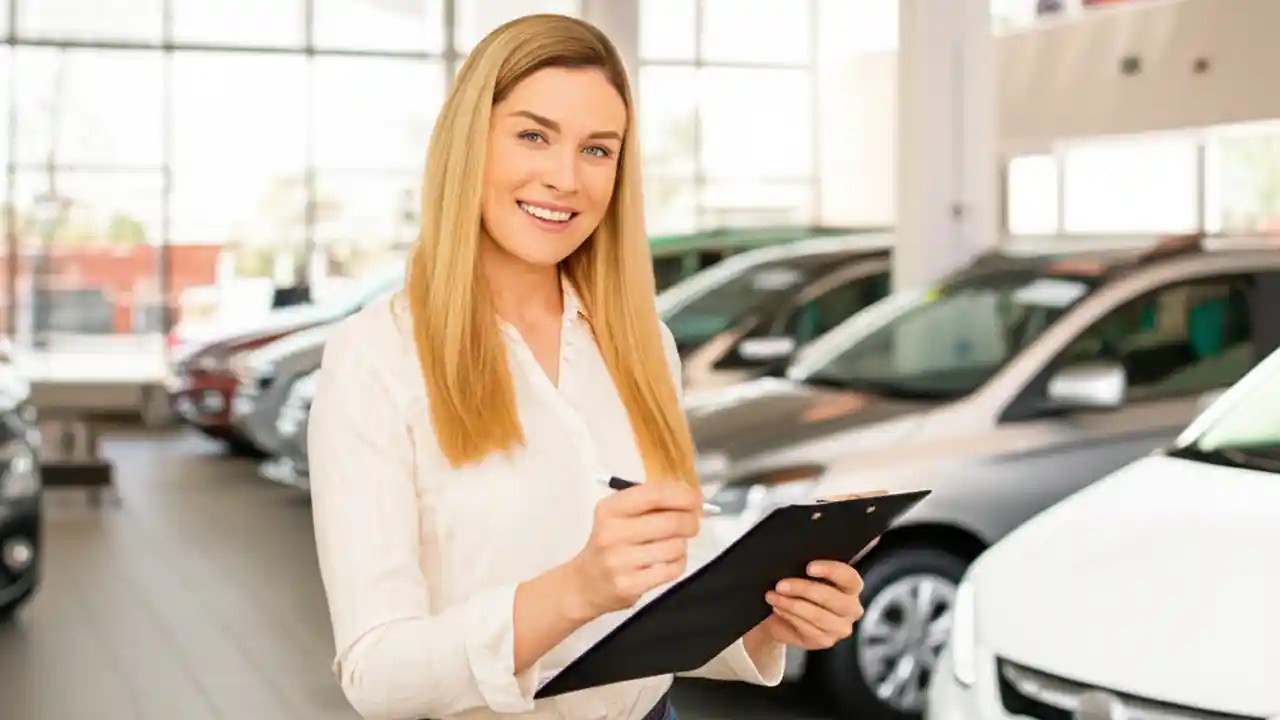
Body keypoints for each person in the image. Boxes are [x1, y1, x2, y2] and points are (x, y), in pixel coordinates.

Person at [307, 14, 870, 720]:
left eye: (597, 150)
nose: (566, 179)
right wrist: (572, 591)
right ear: (469, 143)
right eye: (533, 135)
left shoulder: (641, 345)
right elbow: (377, 675)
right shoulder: (376, 357)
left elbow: (659, 598)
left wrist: (770, 612)